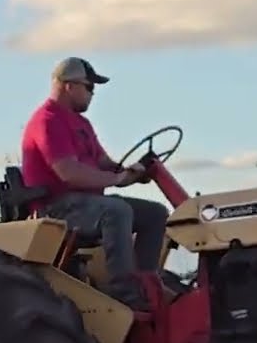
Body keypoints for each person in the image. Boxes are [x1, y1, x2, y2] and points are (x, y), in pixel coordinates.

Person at [21, 56, 170, 311]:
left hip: (87, 204)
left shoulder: (82, 124)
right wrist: (116, 180)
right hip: (57, 208)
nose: (93, 94)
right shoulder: (47, 121)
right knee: (116, 211)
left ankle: (147, 281)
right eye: (89, 87)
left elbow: (103, 162)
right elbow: (69, 173)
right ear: (69, 86)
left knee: (155, 213)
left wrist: (132, 171)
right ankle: (124, 293)